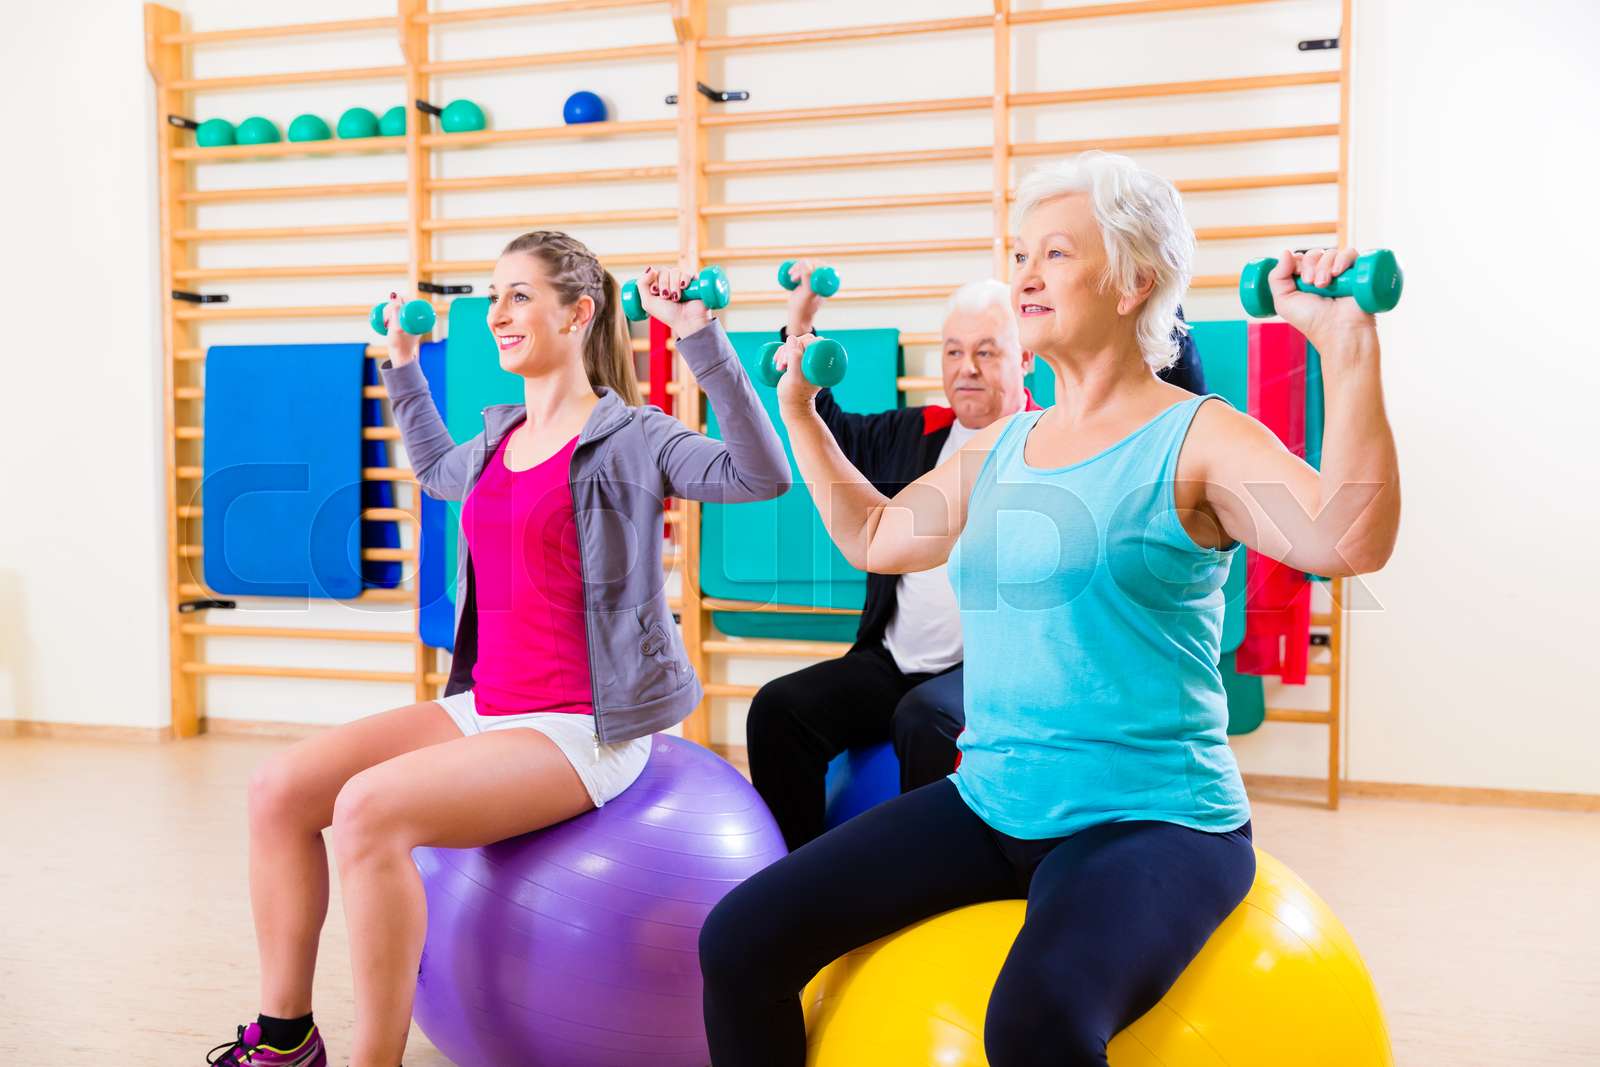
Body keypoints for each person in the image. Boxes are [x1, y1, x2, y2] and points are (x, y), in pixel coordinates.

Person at [699, 152, 1400, 1067]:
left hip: (1153, 820)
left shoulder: (1200, 436)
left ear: (1135, 279)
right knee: (739, 941)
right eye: (1022, 252)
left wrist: (1348, 350)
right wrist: (800, 411)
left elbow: (1348, 541)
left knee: (1034, 1023)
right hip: (990, 798)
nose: (1025, 274)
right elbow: (877, 537)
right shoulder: (997, 445)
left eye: (1057, 254)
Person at [204, 232, 789, 1067]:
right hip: (490, 705)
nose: (497, 313)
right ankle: (289, 1036)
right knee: (279, 789)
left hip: (585, 727)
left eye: (518, 294)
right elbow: (440, 471)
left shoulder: (634, 437)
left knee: (368, 810)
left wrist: (699, 333)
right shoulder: (503, 434)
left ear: (578, 312)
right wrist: (401, 363)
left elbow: (758, 474)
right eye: (493, 294)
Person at [747, 265, 1209, 851]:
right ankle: (795, 865)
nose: (966, 368)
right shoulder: (913, 433)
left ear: (1025, 362)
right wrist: (804, 317)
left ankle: (926, 887)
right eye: (954, 351)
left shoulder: (1053, 445)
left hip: (993, 674)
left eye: (988, 352)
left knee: (924, 717)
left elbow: (1174, 411)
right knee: (779, 709)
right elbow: (822, 422)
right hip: (893, 659)